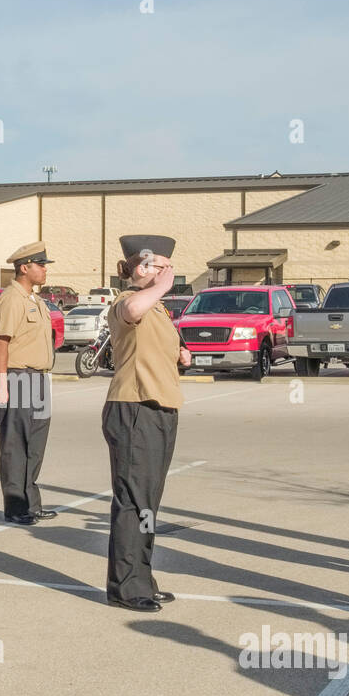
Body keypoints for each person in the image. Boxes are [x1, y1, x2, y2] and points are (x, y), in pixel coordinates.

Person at [101, 235, 191, 613]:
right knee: (133, 499)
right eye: (162, 265)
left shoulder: (158, 310)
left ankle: (142, 576)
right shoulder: (127, 301)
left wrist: (180, 355)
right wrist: (163, 285)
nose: (168, 272)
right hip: (135, 407)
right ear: (142, 268)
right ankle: (125, 585)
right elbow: (132, 311)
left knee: (148, 502)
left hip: (159, 408)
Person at [0, 241, 57, 525]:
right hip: (18, 377)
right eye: (40, 265)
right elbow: (0, 344)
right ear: (24, 267)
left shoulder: (35, 299)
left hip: (39, 378)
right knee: (15, 444)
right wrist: (2, 384)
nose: (44, 270)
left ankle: (31, 502)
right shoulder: (11, 299)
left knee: (35, 444)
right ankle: (16, 506)